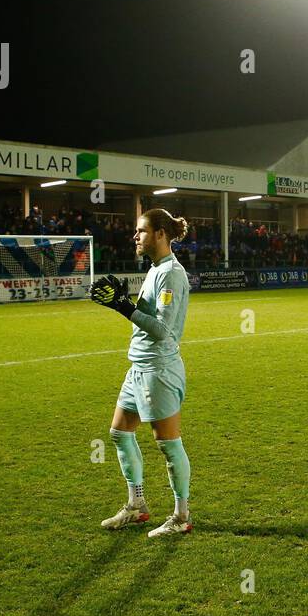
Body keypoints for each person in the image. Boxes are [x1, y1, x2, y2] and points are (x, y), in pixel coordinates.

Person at [92, 209, 194, 538]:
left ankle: (181, 516)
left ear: (160, 233)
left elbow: (163, 331)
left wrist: (124, 307)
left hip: (158, 370)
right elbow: (149, 315)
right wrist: (127, 302)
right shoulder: (154, 270)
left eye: (141, 231)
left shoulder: (171, 274)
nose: (135, 237)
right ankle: (137, 506)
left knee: (168, 443)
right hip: (139, 366)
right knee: (120, 433)